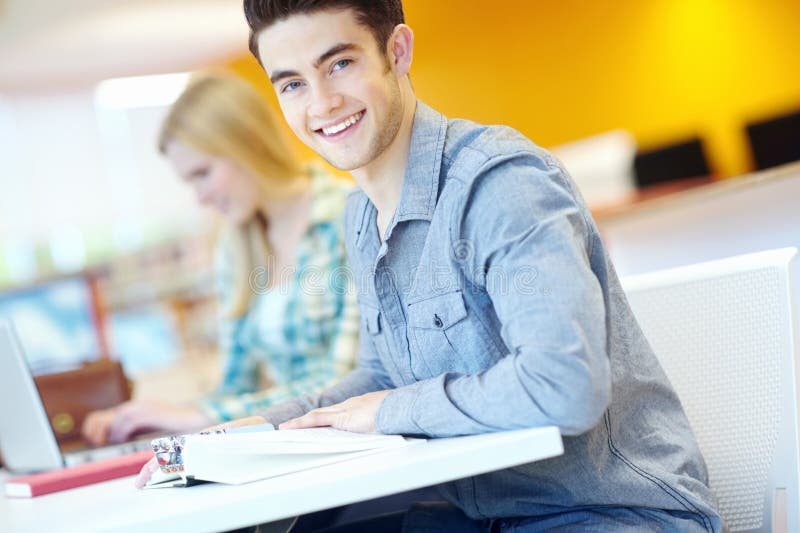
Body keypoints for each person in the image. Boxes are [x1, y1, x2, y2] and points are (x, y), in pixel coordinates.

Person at [137, 2, 723, 531]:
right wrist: (249, 432)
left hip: (608, 514)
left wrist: (389, 411)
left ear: (397, 51)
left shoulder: (500, 185)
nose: (321, 104)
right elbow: (378, 379)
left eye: (339, 64)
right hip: (483, 516)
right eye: (292, 84)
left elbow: (563, 386)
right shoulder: (360, 218)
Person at [83, 72, 360, 445]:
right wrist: (158, 418)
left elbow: (349, 381)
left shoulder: (350, 216)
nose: (200, 197)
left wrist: (202, 417)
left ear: (246, 144)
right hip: (292, 442)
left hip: (353, 443)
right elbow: (236, 386)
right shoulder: (236, 245)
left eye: (203, 173)